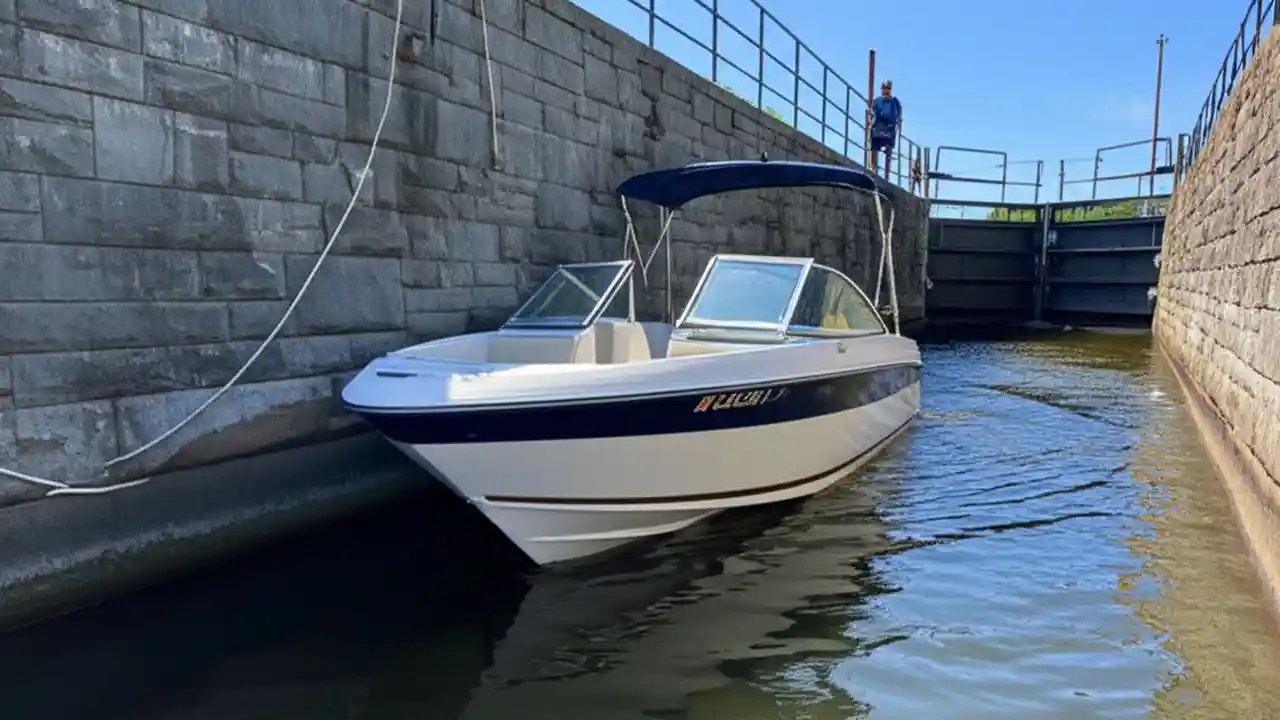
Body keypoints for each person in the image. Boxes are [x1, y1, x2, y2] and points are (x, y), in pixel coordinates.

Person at [869, 80, 902, 177]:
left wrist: (898, 125)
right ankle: (873, 168)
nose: (886, 90)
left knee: (888, 150)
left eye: (888, 88)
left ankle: (886, 175)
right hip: (877, 128)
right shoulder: (877, 101)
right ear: (881, 89)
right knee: (873, 148)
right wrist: (870, 125)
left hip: (889, 129)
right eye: (884, 88)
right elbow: (871, 113)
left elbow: (899, 116)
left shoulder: (895, 102)